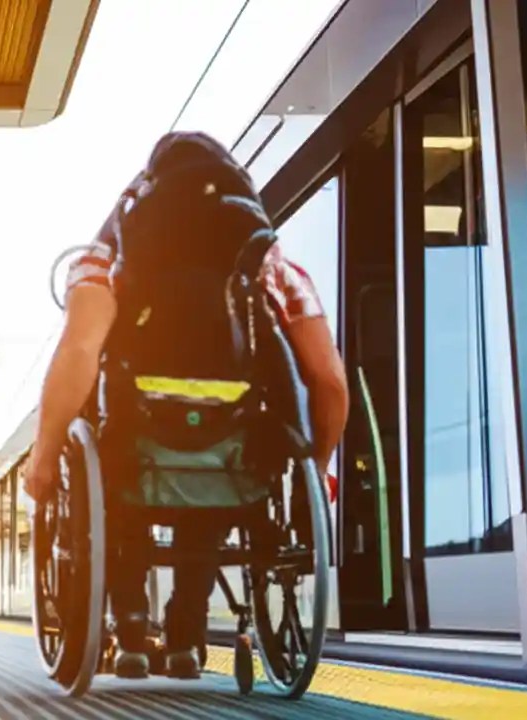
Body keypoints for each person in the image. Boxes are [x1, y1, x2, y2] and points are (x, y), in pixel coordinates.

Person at [24, 131, 348, 680]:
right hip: (235, 446)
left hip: (136, 436)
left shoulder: (107, 259)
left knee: (116, 482)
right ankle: (186, 636)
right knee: (218, 490)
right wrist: (316, 466)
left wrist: (45, 454)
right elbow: (330, 382)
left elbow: (80, 351)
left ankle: (129, 628)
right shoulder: (269, 264)